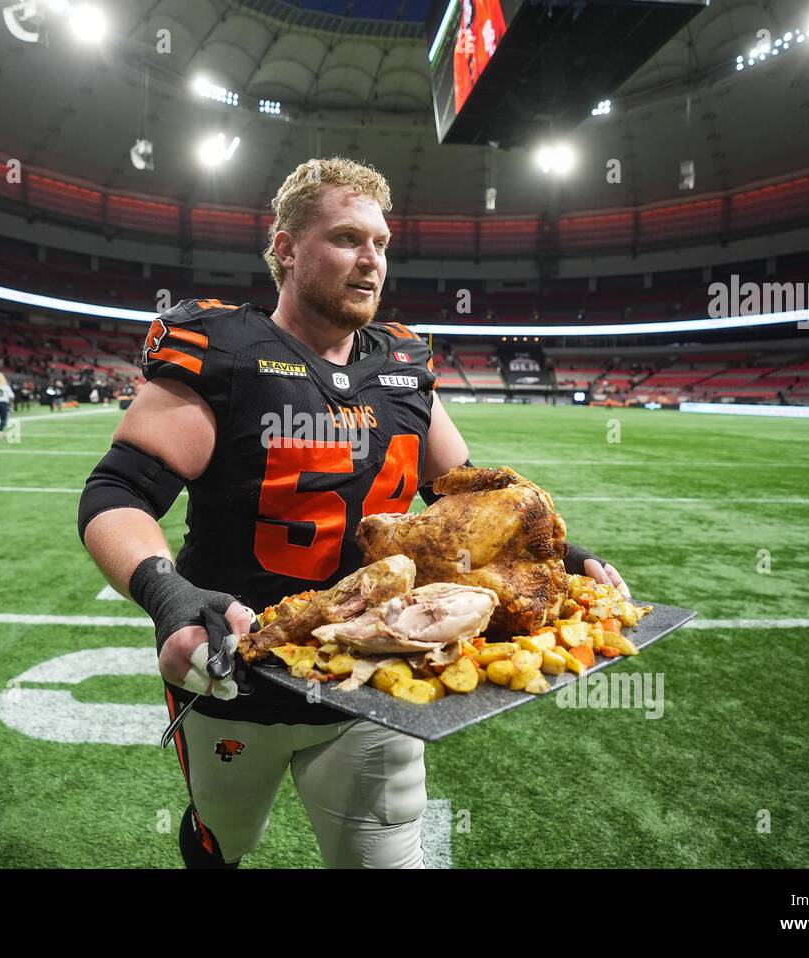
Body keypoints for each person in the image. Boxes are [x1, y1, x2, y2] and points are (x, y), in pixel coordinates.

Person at [77, 157, 629, 870]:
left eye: (381, 243)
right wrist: (167, 593)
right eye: (346, 239)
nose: (371, 261)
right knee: (222, 840)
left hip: (377, 676)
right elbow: (116, 493)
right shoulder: (227, 353)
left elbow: (461, 500)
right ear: (285, 249)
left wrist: (567, 555)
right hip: (238, 670)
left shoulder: (401, 365)